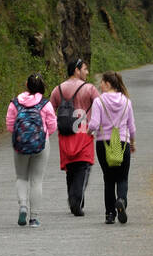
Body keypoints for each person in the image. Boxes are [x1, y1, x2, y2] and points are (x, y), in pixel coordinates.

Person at [49, 56, 99, 217]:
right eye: (84, 69)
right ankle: (76, 199)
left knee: (71, 168)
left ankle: (73, 197)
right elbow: (100, 107)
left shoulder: (58, 90)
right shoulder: (90, 89)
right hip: (84, 133)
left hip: (65, 135)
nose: (87, 72)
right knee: (83, 167)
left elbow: (50, 111)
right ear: (76, 70)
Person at [6, 73, 57, 227]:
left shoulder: (15, 103)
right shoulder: (45, 104)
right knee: (37, 180)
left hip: (20, 144)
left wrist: (22, 136)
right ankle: (34, 218)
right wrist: (42, 135)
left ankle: (22, 206)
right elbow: (52, 126)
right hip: (41, 143)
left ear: (27, 85)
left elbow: (10, 126)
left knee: (21, 177)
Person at [89, 71, 136, 225]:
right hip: (123, 142)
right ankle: (121, 200)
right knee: (122, 177)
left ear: (108, 84)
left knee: (108, 179)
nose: (100, 85)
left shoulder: (98, 101)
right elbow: (132, 127)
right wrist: (133, 142)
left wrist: (88, 132)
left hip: (104, 143)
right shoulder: (126, 102)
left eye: (101, 82)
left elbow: (94, 124)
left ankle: (110, 214)